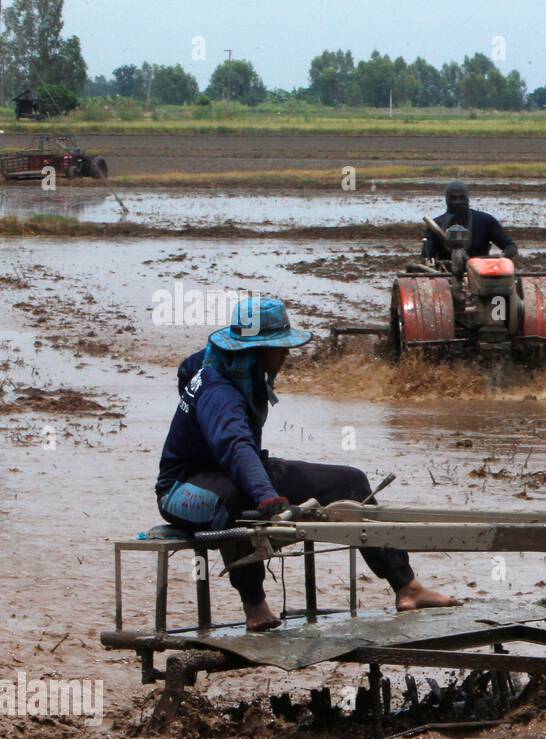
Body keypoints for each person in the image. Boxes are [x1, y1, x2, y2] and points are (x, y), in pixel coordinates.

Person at [155, 297, 458, 631]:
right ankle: (255, 605)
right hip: (183, 489)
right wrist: (267, 498)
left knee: (350, 483)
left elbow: (186, 370)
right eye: (279, 347)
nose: (286, 353)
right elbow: (236, 446)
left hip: (232, 471)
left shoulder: (223, 362)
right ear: (255, 350)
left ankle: (407, 587)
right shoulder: (220, 393)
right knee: (242, 502)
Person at [421, 180, 519, 261]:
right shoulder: (435, 225)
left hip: (480, 274)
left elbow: (510, 246)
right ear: (446, 200)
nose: (457, 202)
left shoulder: (485, 221)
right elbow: (427, 257)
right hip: (445, 275)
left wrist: (502, 257)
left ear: (468, 198)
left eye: (461, 197)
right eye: (453, 198)